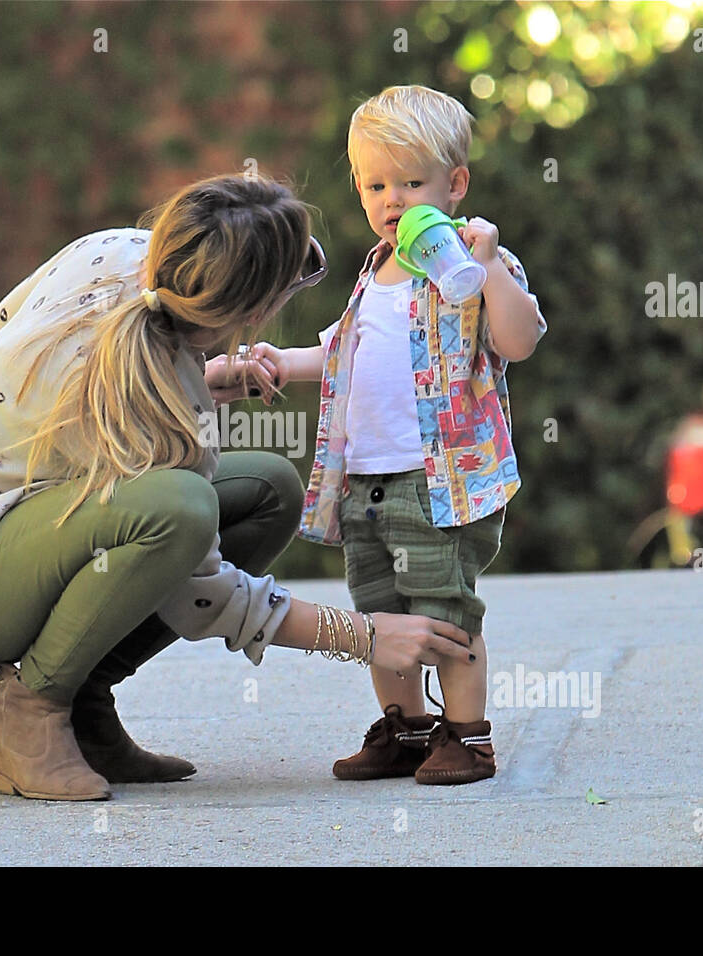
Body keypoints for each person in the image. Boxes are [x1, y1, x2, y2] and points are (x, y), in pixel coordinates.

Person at [0, 173, 481, 802]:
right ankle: (31, 710)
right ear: (251, 313)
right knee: (181, 512)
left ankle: (84, 705)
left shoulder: (112, 249)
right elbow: (200, 591)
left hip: (9, 528)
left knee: (266, 489)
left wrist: (185, 371)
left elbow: (8, 319)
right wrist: (363, 636)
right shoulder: (156, 414)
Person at [247, 85, 548, 785]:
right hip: (367, 480)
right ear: (357, 186)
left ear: (454, 185)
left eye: (413, 183)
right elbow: (344, 351)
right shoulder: (373, 271)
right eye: (377, 184)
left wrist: (491, 265)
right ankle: (406, 730)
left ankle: (468, 737)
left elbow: (520, 339)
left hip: (440, 481)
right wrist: (280, 363)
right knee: (379, 611)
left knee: (444, 610)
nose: (394, 201)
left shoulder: (469, 263)